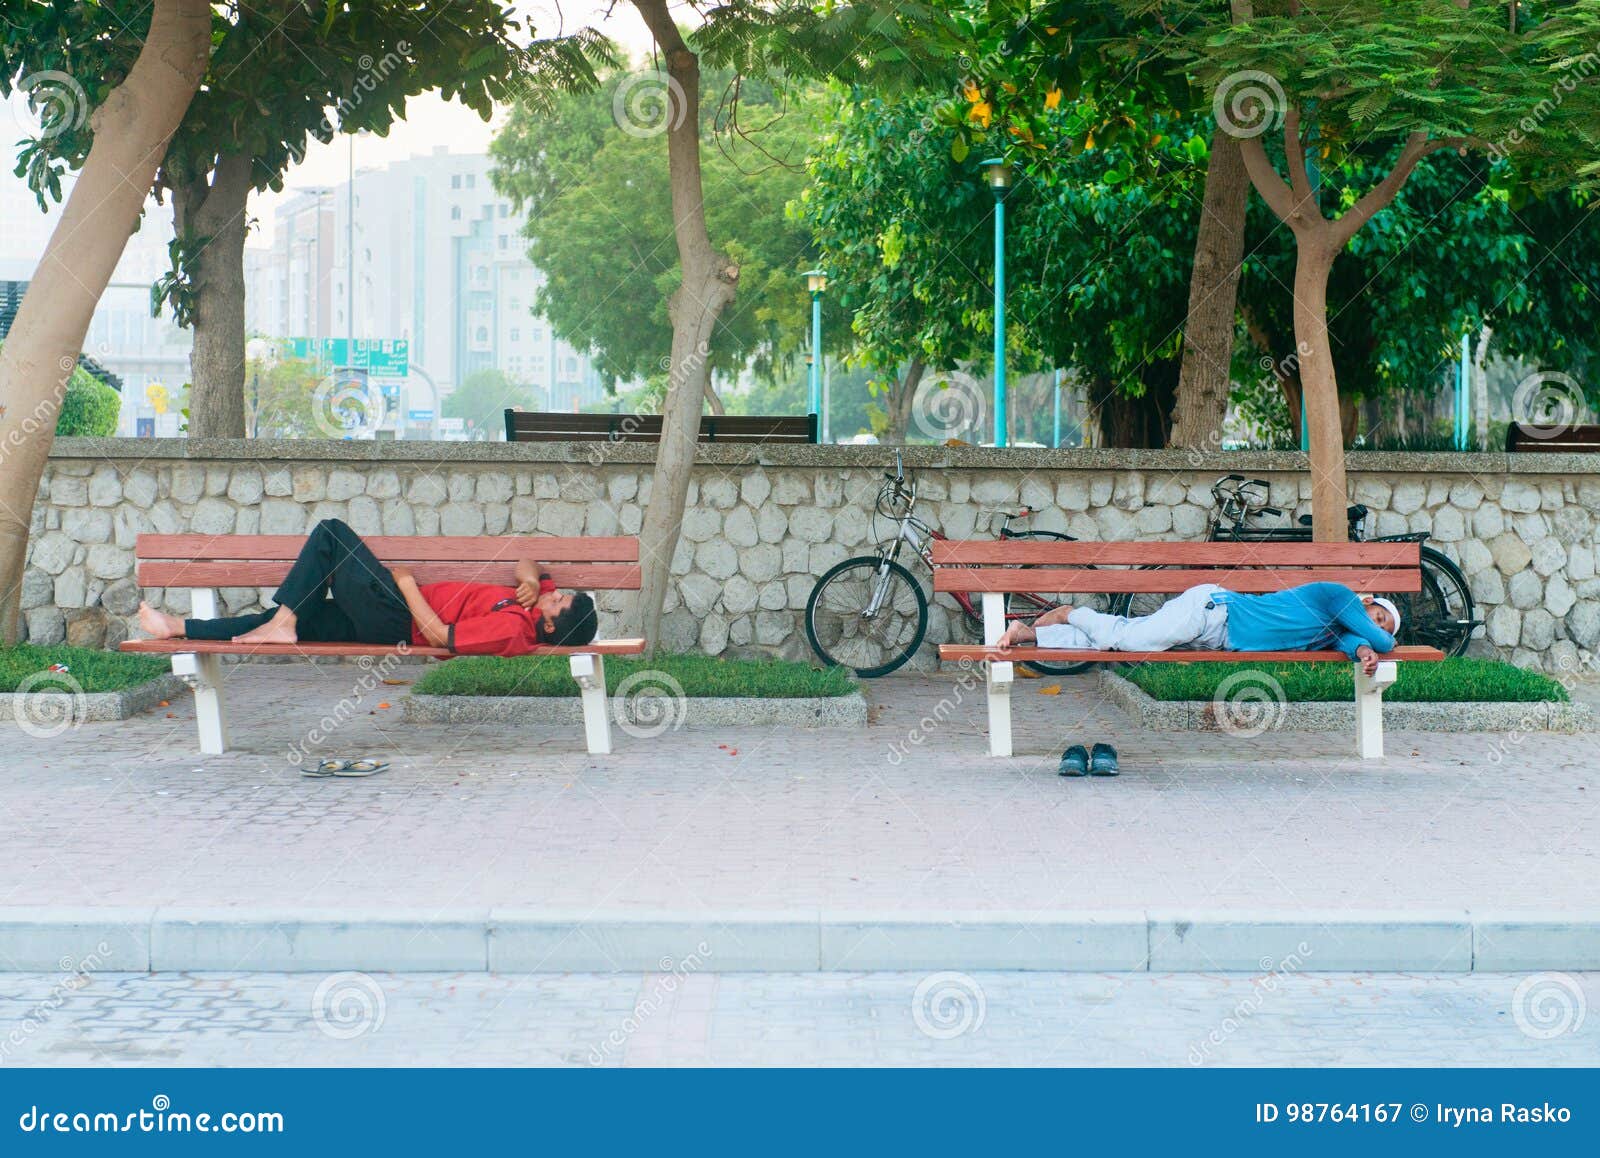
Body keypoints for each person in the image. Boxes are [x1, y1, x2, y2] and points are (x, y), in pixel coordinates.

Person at [136, 518, 598, 655]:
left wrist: (408, 583)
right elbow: (526, 559)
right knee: (300, 613)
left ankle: (283, 623)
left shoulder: (514, 630)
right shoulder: (533, 600)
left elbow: (441, 638)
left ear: (552, 628)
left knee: (333, 533)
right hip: (393, 612)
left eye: (560, 601)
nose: (556, 595)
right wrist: (531, 578)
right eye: (560, 593)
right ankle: (179, 626)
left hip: (397, 617)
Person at [997, 581, 1402, 676]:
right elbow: (1381, 639)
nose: (1376, 625)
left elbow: (1360, 642)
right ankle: (1070, 612)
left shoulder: (1333, 630)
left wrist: (1364, 653)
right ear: (1368, 603)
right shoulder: (1340, 596)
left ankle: (1027, 634)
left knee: (1118, 639)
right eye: (1378, 614)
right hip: (1212, 611)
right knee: (1124, 639)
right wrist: (1381, 640)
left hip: (1214, 631)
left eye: (1380, 623)